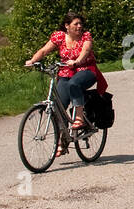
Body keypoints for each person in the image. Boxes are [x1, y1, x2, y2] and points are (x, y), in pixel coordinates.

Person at [25, 12, 108, 156]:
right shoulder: (58, 37)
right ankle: (62, 140)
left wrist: (77, 61)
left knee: (74, 84)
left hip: (87, 70)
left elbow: (86, 50)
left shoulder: (85, 36)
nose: (79, 26)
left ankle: (80, 117)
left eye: (80, 23)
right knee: (59, 106)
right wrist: (32, 61)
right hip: (65, 73)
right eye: (76, 24)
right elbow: (44, 50)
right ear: (66, 26)